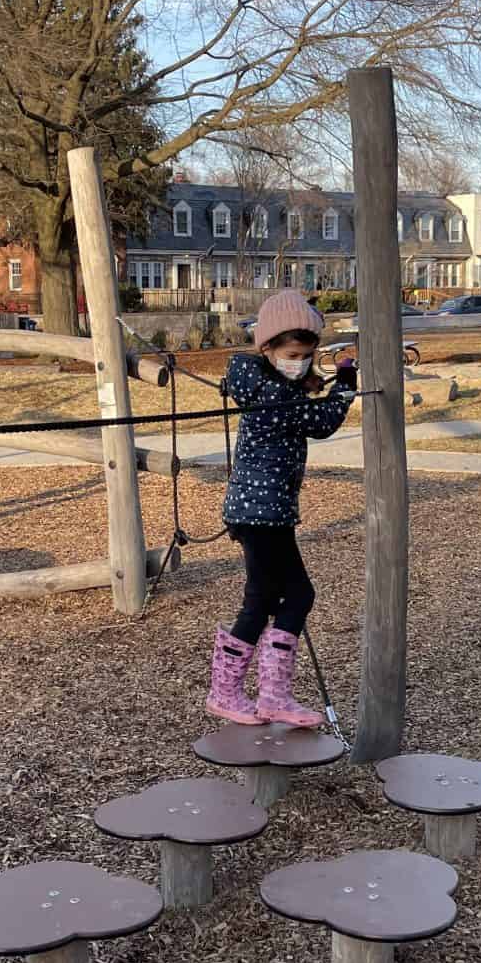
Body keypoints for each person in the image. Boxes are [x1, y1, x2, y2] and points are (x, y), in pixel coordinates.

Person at [206, 290, 358, 727]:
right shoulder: (269, 394)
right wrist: (344, 386)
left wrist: (306, 379)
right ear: (267, 348)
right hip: (260, 514)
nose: (300, 362)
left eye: (308, 357)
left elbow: (289, 389)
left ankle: (264, 694)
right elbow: (321, 423)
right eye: (293, 355)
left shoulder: (265, 382)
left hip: (266, 512)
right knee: (279, 597)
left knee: (275, 597)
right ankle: (236, 692)